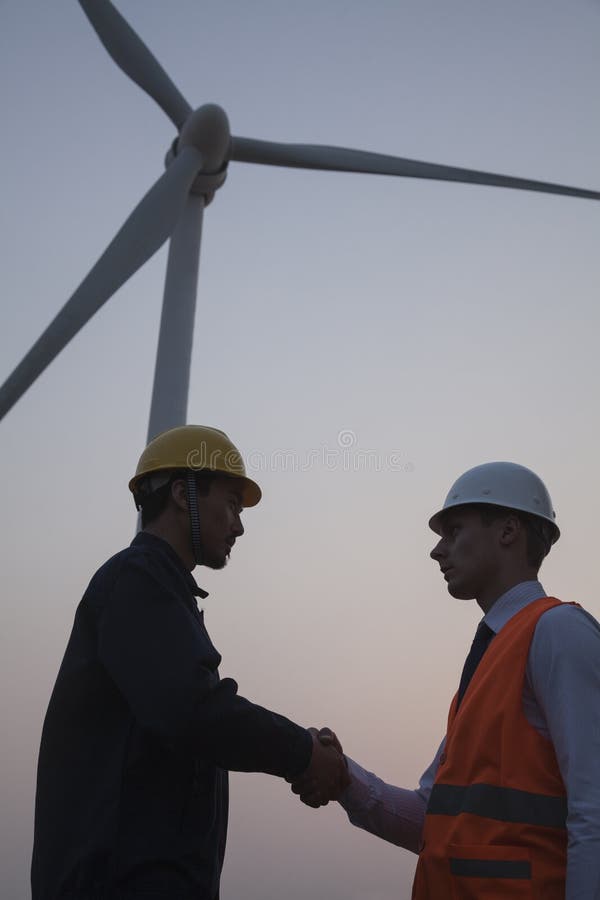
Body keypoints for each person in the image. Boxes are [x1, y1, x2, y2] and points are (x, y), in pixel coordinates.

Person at [31, 424, 348, 900]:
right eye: (232, 505)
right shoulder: (137, 579)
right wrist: (302, 752)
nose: (239, 525)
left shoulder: (161, 590)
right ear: (183, 494)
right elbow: (196, 711)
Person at [293, 461, 600, 898]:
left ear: (508, 531)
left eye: (453, 531)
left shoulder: (558, 631)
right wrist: (344, 779)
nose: (437, 550)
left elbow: (595, 811)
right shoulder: (492, 661)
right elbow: (430, 818)